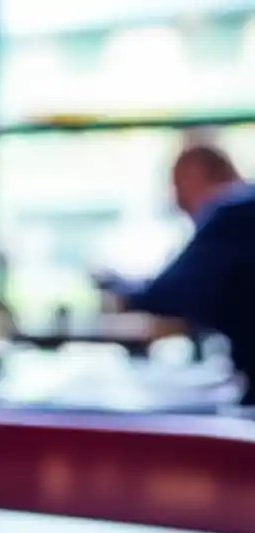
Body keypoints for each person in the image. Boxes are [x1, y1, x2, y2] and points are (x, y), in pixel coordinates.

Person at [99, 145, 255, 402]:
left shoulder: (232, 214)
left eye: (179, 184)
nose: (177, 200)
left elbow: (171, 294)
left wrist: (118, 289)